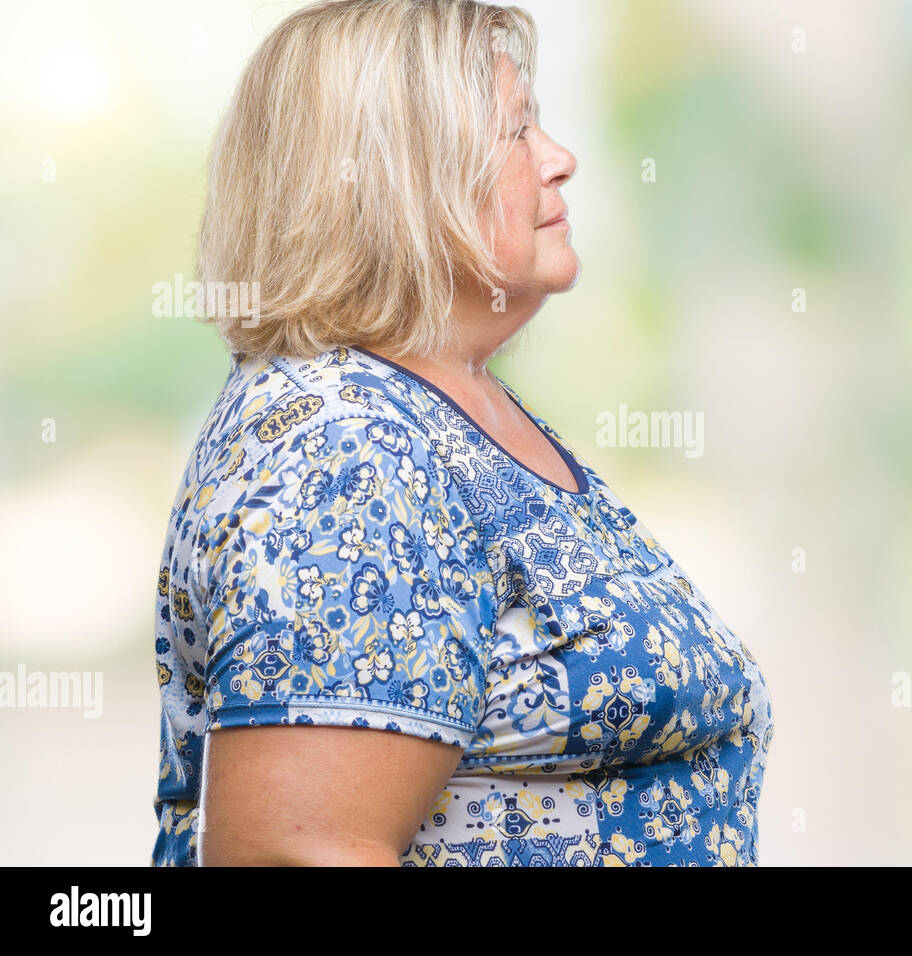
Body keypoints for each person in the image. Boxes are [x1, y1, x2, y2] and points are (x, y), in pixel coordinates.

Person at [152, 0, 774, 867]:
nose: (559, 160)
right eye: (514, 132)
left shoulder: (449, 405)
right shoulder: (342, 446)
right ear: (392, 181)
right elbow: (298, 854)